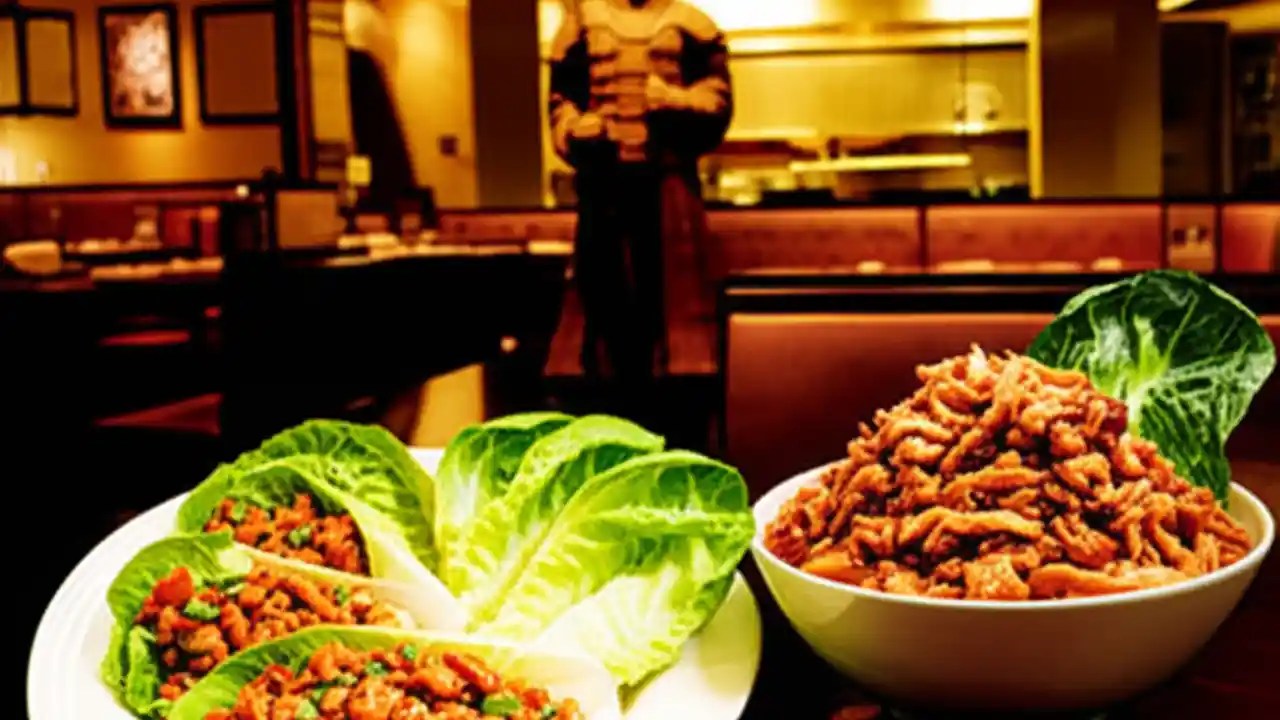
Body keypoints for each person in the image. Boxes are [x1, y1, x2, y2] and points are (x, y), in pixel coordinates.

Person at [548, 0, 732, 421]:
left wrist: (677, 100)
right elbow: (560, 102)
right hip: (602, 190)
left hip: (668, 190)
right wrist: (575, 127)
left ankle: (672, 407)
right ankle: (606, 396)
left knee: (672, 311)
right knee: (602, 304)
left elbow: (718, 101)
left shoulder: (693, 26)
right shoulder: (579, 26)